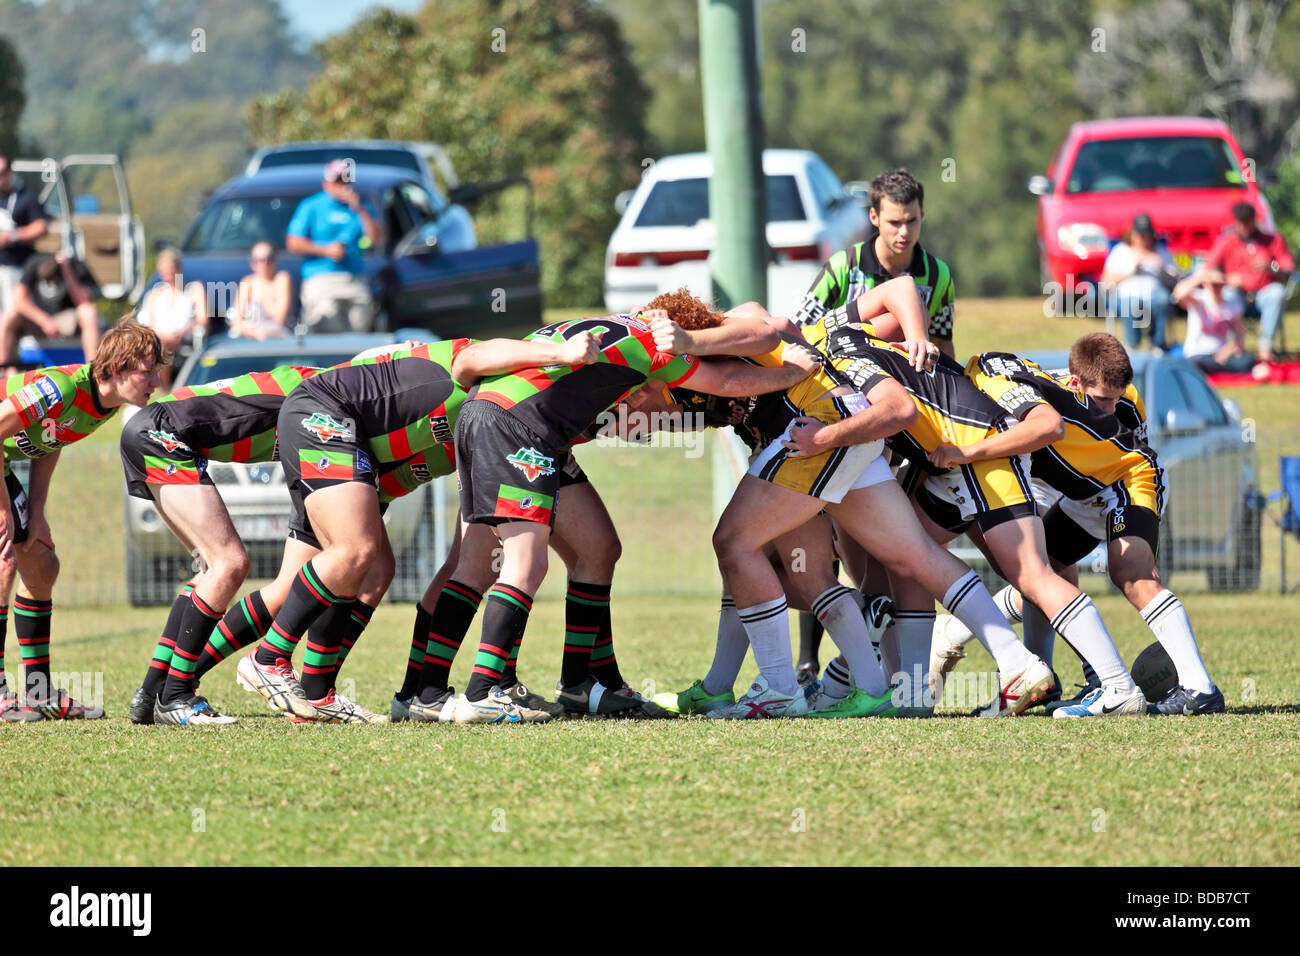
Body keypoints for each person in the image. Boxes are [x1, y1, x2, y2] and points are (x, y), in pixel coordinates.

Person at [450, 301, 807, 723]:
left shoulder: (606, 327)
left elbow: (473, 365)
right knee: (524, 563)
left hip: (497, 421)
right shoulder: (657, 346)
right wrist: (788, 373)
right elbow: (728, 376)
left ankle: (580, 684)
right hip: (518, 427)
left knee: (598, 547)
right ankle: (482, 690)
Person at [932, 333, 1223, 716]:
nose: (1111, 407)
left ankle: (1199, 689)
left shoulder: (1123, 399)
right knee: (1039, 573)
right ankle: (1048, 679)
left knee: (1131, 573)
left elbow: (1135, 452)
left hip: (1127, 483)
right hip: (1085, 497)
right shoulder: (1028, 398)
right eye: (1103, 399)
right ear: (1074, 381)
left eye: (1117, 397)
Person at [0, 322, 164, 722]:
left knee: (42, 565)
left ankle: (38, 693)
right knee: (4, 559)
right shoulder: (62, 388)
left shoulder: (106, 406)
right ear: (118, 368)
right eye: (148, 370)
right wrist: (5, 513)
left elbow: (51, 441)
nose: (157, 380)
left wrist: (35, 514)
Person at [792, 168, 957, 358]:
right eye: (894, 223)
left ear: (922, 214)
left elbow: (941, 341)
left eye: (911, 221)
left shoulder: (938, 275)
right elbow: (799, 332)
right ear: (874, 217)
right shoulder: (842, 267)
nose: (904, 232)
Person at [286, 160, 383, 333]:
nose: (342, 186)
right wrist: (326, 250)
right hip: (322, 278)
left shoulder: (362, 207)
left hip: (354, 278)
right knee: (329, 325)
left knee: (360, 327)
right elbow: (293, 242)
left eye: (346, 181)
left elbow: (377, 240)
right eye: (338, 181)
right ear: (326, 184)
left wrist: (360, 210)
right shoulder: (311, 206)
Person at [1204, 202, 1294, 363]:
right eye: (1240, 223)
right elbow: (1207, 269)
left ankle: (1265, 348)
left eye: (1247, 222)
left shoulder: (1273, 240)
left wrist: (1270, 267)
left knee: (1277, 292)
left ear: (1254, 221)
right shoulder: (1226, 242)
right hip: (1237, 295)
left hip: (1263, 294)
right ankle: (1235, 347)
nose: (1244, 227)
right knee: (1228, 293)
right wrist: (1226, 279)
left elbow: (1289, 268)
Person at [0, 251, 101, 369]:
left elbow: (84, 301)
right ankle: (4, 370)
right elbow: (18, 299)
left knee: (89, 312)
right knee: (9, 315)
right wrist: (43, 320)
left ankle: (93, 370)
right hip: (37, 320)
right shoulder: (34, 263)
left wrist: (67, 270)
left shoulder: (74, 265)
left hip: (67, 319)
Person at [1100, 213, 1178, 351]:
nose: (1142, 238)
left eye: (1146, 234)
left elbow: (1174, 283)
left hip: (1155, 295)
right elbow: (1105, 281)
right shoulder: (1121, 251)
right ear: (1132, 233)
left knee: (1162, 300)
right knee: (1131, 304)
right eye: (1139, 234)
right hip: (1127, 296)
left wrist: (1161, 269)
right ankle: (1131, 344)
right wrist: (1130, 271)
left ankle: (1157, 345)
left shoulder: (1161, 252)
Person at [136, 249, 207, 389]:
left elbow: (202, 319)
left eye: (170, 269)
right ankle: (164, 388)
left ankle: (166, 388)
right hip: (161, 337)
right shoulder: (154, 294)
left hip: (185, 336)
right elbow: (149, 323)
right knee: (158, 344)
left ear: (178, 268)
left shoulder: (194, 289)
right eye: (164, 269)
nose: (167, 273)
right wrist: (162, 335)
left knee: (160, 346)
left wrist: (182, 332)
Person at [1172, 269, 1263, 376]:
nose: (1216, 287)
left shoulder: (1232, 305)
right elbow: (1178, 294)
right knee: (1194, 363)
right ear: (1206, 284)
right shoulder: (1198, 299)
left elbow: (1239, 338)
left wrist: (1228, 351)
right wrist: (1201, 277)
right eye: (1213, 284)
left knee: (1247, 360)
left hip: (1221, 355)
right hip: (1198, 354)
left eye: (1219, 284)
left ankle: (1216, 369)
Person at [0, 154, 49, 321]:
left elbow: (41, 226)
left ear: (10, 172)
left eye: (2, 174)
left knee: (11, 316)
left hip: (17, 267)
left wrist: (11, 236)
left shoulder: (25, 197)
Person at [227, 242, 292, 339]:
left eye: (269, 259)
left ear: (275, 260)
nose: (265, 264)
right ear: (252, 263)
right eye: (260, 260)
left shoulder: (282, 279)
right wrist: (256, 334)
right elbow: (236, 322)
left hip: (278, 337)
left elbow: (280, 317)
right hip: (251, 338)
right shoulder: (247, 282)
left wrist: (261, 294)